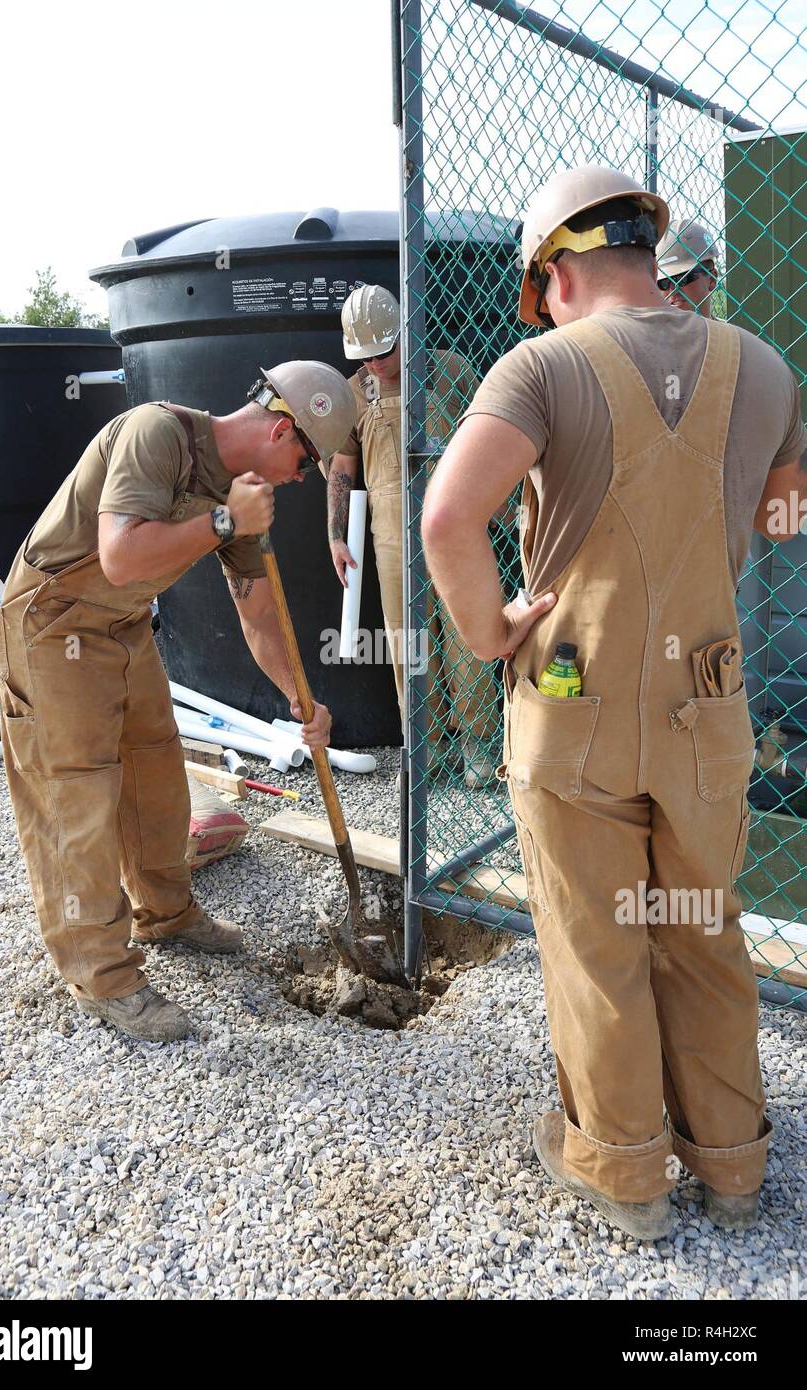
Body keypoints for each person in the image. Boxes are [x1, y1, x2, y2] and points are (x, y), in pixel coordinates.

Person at [422, 166, 806, 1238]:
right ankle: (731, 1167)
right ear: (648, 250)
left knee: (594, 936)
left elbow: (447, 518)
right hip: (708, 704)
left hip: (570, 696)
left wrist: (487, 631)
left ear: (553, 271)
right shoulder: (764, 366)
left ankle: (625, 1173)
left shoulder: (540, 366)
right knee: (697, 926)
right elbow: (783, 516)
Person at [0, 362, 355, 1042]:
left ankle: (167, 912)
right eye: (305, 461)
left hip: (122, 626)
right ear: (279, 429)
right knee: (79, 798)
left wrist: (303, 700)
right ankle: (104, 977)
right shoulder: (158, 435)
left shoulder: (242, 499)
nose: (301, 478)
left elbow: (258, 615)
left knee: (156, 773)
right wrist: (222, 518)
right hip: (51, 625)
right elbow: (120, 556)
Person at [327, 283, 499, 787]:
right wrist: (336, 535)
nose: (377, 364)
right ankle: (425, 747)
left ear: (405, 333)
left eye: (385, 351)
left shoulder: (450, 370)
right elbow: (342, 465)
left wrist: (507, 507)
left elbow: (491, 440)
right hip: (390, 535)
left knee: (468, 634)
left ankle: (478, 741)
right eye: (366, 356)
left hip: (458, 524)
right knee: (407, 642)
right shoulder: (354, 391)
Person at [656, 217, 719, 316]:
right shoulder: (645, 330)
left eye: (682, 278)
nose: (673, 289)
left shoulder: (728, 332)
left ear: (711, 279)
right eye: (663, 282)